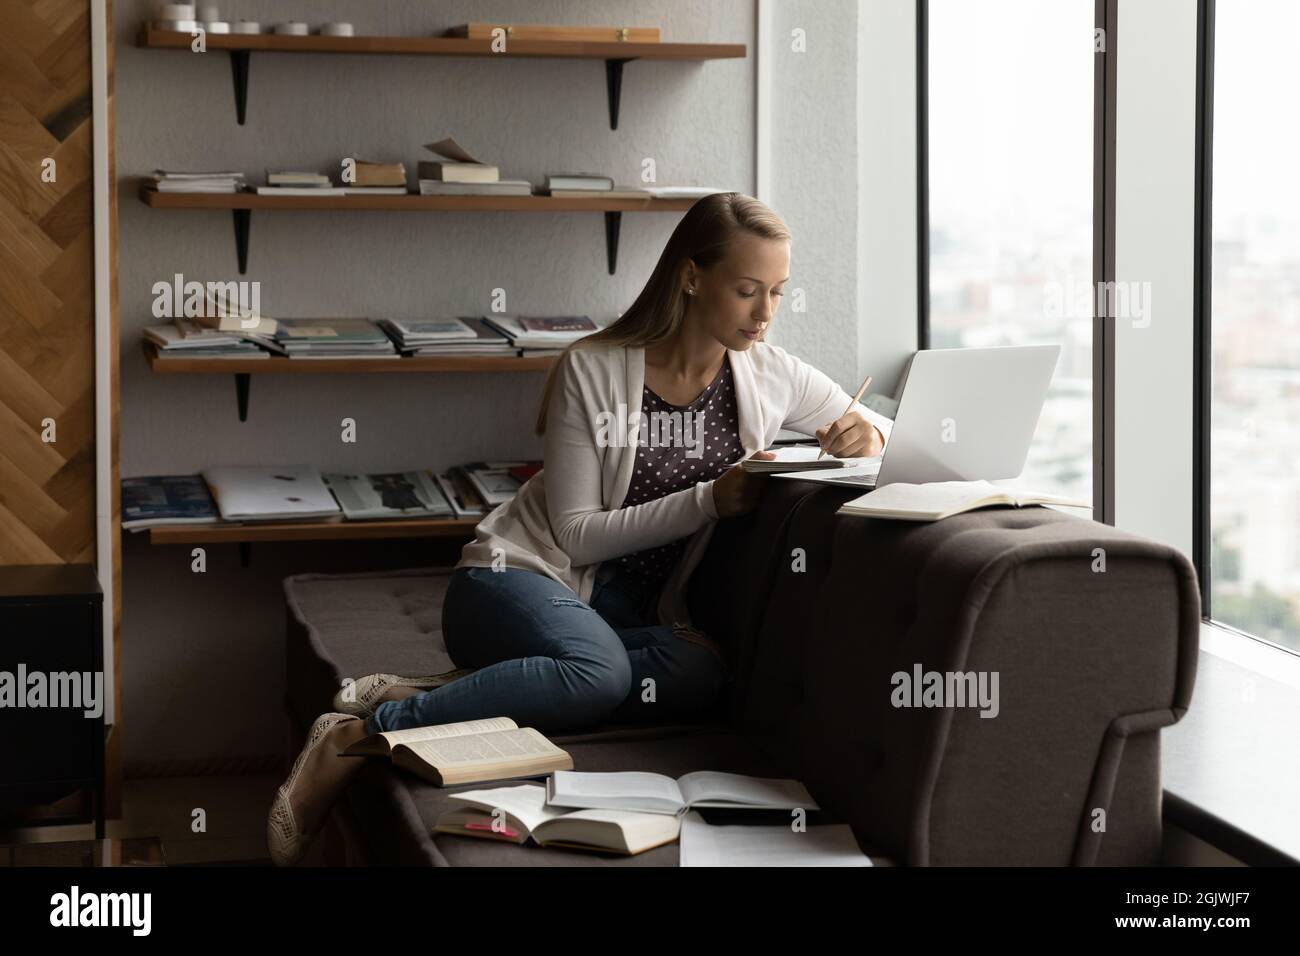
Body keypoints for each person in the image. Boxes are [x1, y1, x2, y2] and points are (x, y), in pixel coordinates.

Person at [267, 193, 893, 865]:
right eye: (747, 291)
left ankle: (432, 690)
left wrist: (867, 434)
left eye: (777, 292)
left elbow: (889, 431)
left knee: (702, 671)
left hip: (621, 614)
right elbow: (576, 536)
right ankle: (358, 732)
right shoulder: (592, 369)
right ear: (691, 277)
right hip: (515, 579)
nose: (766, 313)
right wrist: (710, 499)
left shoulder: (769, 374)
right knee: (598, 675)